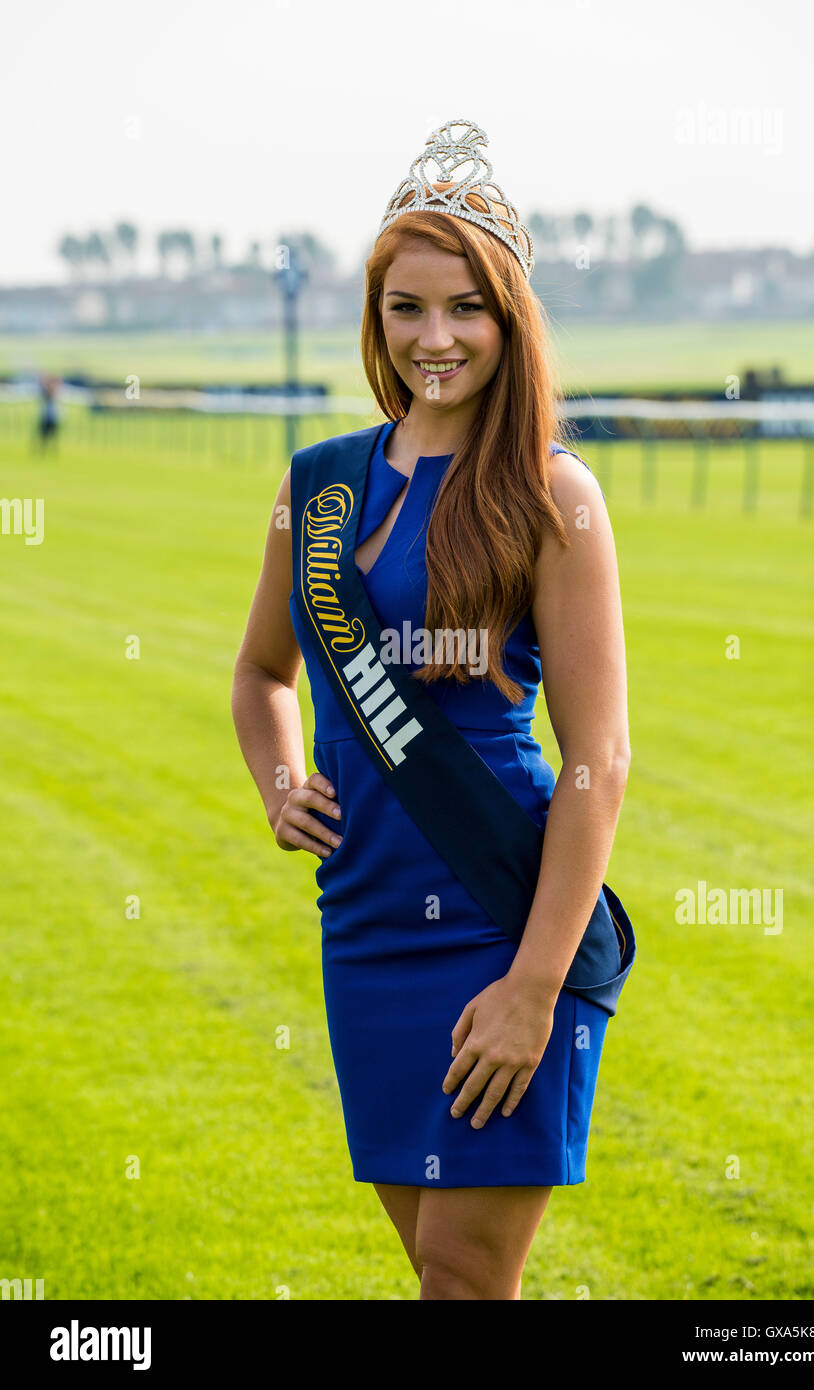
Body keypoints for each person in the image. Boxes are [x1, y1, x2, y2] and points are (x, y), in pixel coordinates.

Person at [232, 118, 635, 1300]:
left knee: (464, 1276)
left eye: (465, 308)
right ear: (375, 319)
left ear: (510, 321)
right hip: (361, 925)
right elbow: (263, 672)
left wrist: (534, 985)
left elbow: (599, 759)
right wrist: (279, 776)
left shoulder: (553, 493)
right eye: (406, 309)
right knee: (435, 1269)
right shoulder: (318, 486)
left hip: (502, 921)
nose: (435, 338)